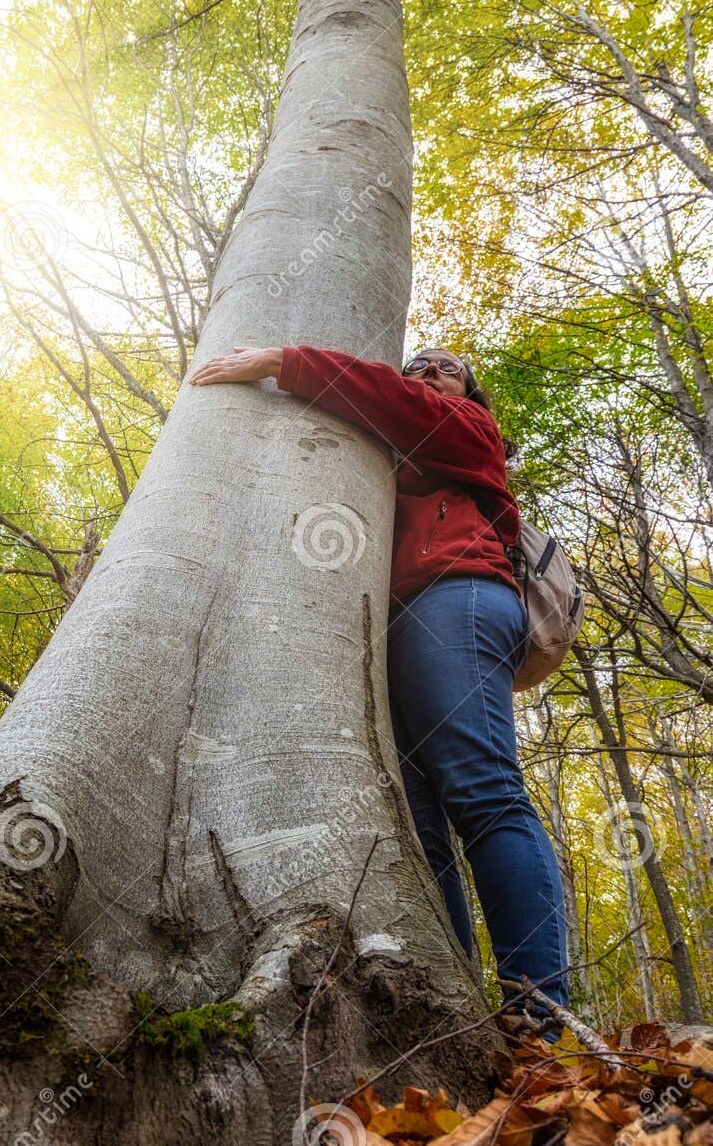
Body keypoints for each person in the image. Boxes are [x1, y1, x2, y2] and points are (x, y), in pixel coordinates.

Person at [188, 341, 569, 1022]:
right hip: (385, 626)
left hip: (458, 596)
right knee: (417, 827)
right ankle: (459, 1015)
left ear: (470, 394)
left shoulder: (468, 431)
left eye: (448, 366)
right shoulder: (386, 453)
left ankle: (541, 1015)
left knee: (483, 791)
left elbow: (397, 402)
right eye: (418, 362)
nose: (428, 370)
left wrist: (284, 359)